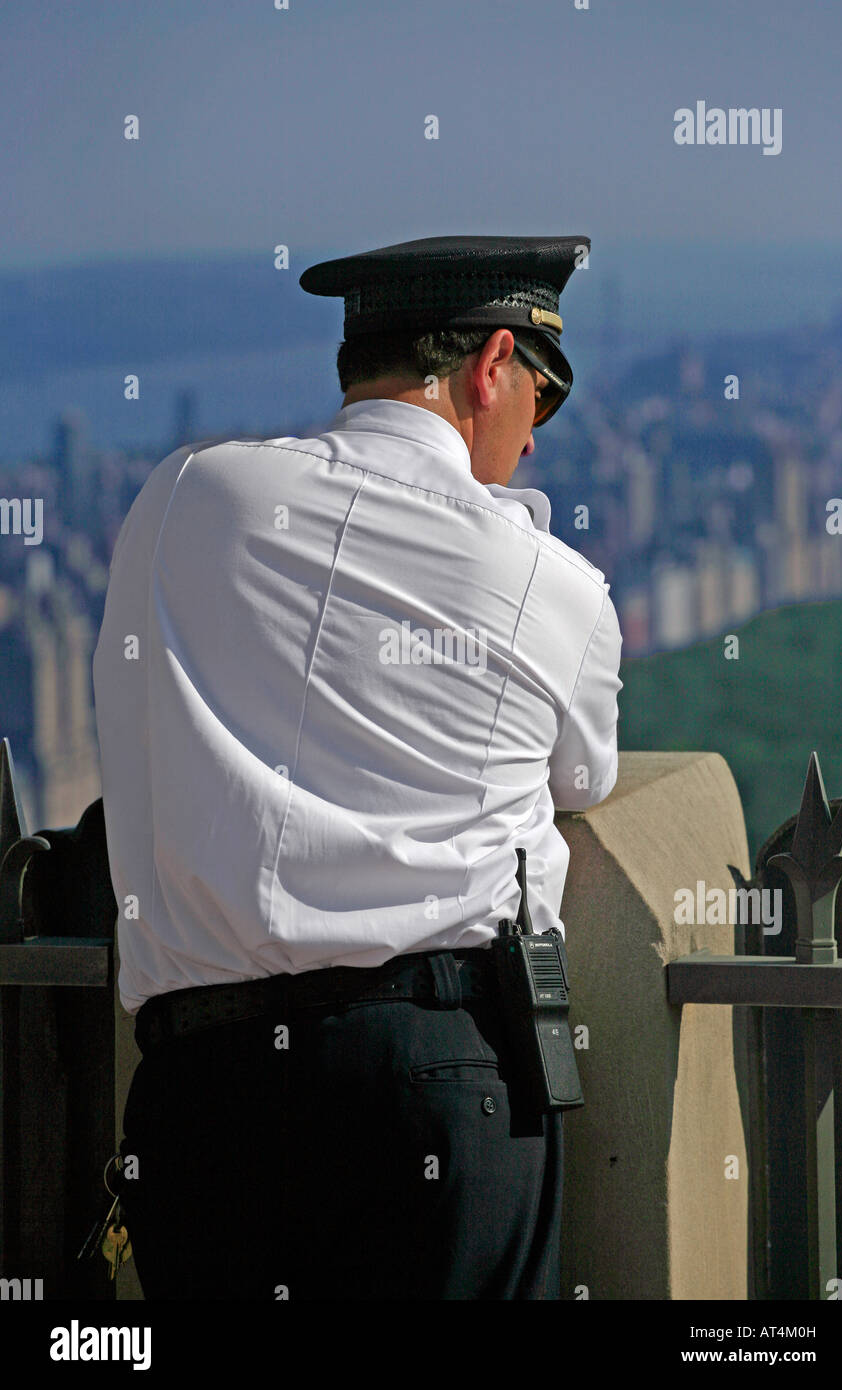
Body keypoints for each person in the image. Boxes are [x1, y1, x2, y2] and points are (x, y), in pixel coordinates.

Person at [92, 234, 623, 1301]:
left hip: (201, 1089)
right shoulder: (553, 585)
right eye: (540, 399)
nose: (530, 441)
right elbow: (584, 780)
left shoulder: (183, 495)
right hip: (436, 1070)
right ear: (490, 366)